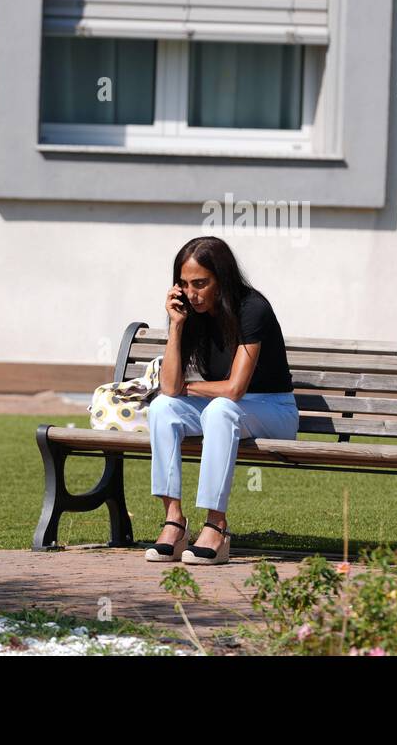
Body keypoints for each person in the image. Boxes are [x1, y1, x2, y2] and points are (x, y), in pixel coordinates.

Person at [145, 236, 297, 565]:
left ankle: (217, 526)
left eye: (201, 283)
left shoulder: (251, 308)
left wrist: (189, 388)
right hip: (226, 407)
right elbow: (169, 389)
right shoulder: (191, 314)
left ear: (221, 278)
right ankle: (174, 522)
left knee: (221, 409)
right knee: (161, 409)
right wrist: (176, 325)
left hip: (273, 410)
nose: (191, 293)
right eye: (184, 284)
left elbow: (235, 389)